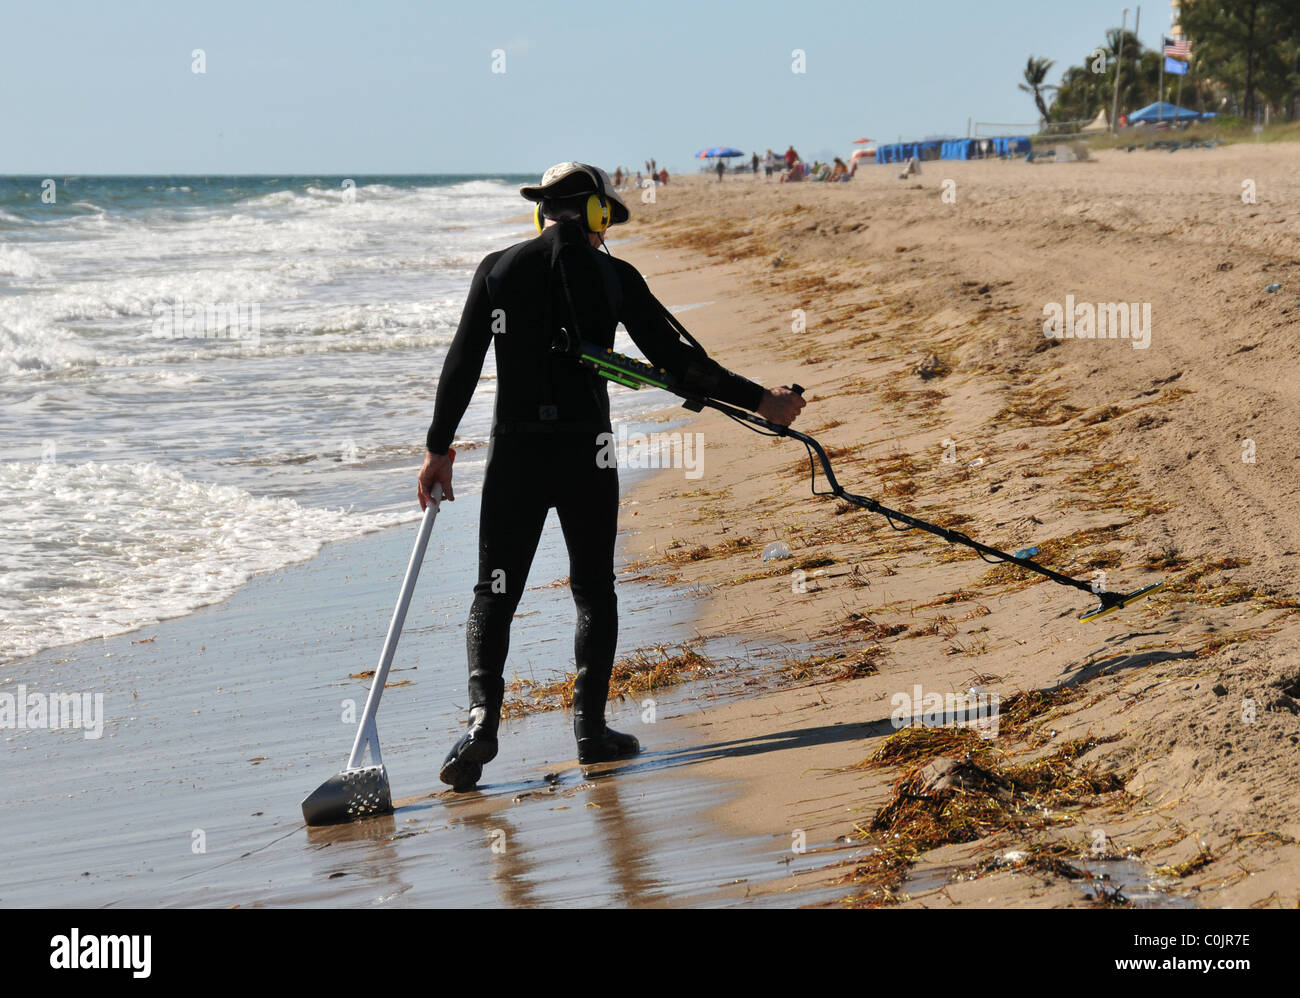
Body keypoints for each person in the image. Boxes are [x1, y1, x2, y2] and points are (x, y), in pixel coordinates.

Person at [418, 162, 805, 790]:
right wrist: (763, 400)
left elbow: (461, 363)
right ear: (597, 213)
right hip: (586, 451)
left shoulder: (496, 269)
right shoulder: (614, 275)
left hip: (515, 453)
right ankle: (590, 732)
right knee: (593, 589)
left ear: (541, 212)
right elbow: (679, 364)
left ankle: (482, 723)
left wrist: (439, 449)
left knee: (494, 592)